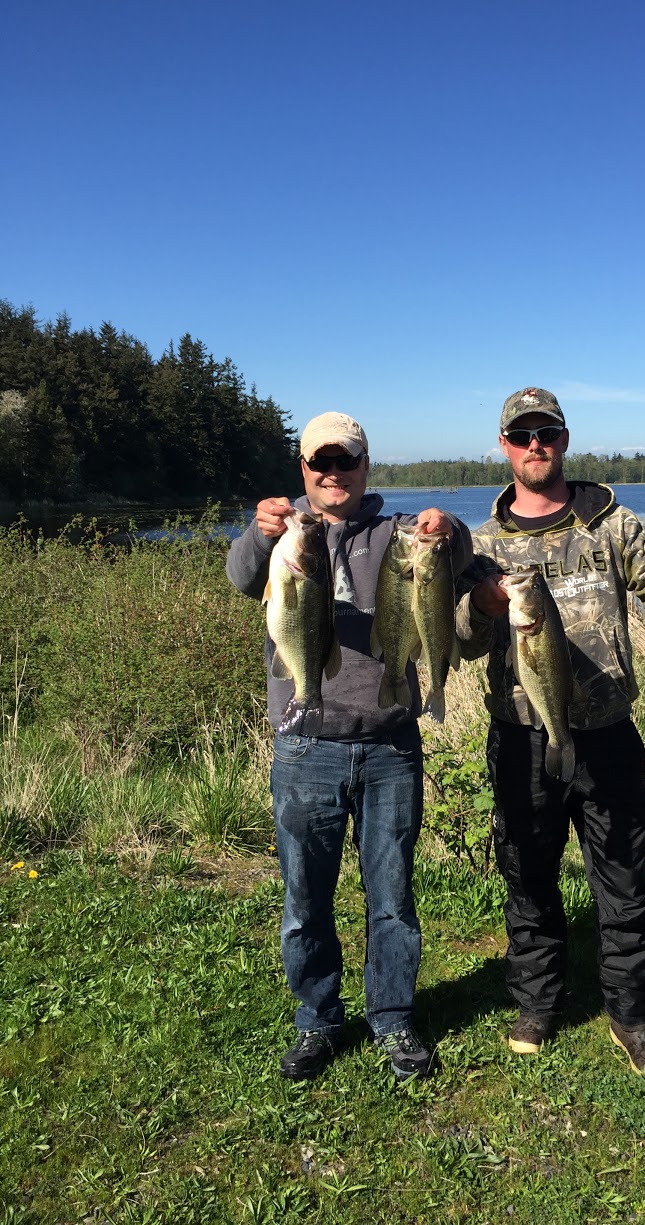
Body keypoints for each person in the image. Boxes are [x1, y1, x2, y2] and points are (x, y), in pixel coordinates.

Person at [456, 388, 645, 1082]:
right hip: (521, 733)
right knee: (526, 872)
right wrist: (479, 602)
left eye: (547, 433)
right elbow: (464, 641)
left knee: (623, 877)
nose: (535, 445)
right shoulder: (481, 546)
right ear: (503, 446)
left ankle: (631, 1014)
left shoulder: (611, 523)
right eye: (521, 435)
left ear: (563, 440)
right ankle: (537, 1002)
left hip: (606, 733)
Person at [227, 411, 472, 1082]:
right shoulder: (284, 537)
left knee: (391, 895)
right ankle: (317, 1019)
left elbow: (461, 562)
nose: (332, 472)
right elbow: (245, 577)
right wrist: (259, 531)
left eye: (345, 460)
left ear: (366, 466)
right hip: (305, 746)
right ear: (303, 469)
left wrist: (449, 532)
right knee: (305, 898)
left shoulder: (395, 537)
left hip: (391, 746)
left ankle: (392, 1018)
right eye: (319, 462)